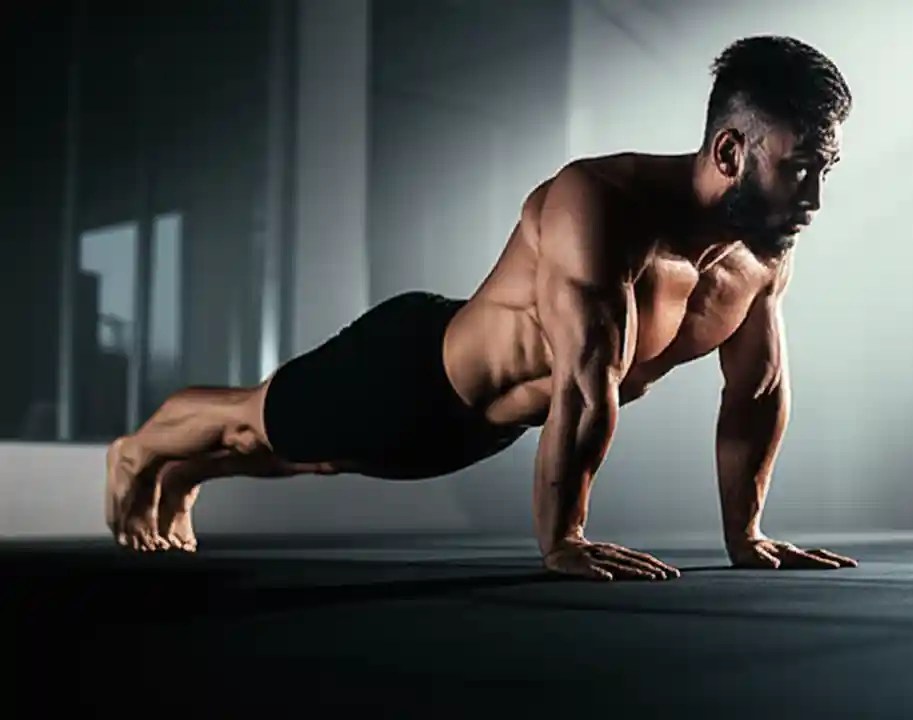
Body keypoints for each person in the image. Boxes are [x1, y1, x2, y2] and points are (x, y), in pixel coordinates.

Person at [105, 34, 860, 581]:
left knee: (312, 457)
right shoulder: (602, 204)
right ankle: (140, 453)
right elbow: (585, 383)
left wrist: (746, 535)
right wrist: (564, 541)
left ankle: (184, 474)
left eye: (823, 171)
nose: (814, 198)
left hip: (483, 429)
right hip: (412, 368)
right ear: (730, 152)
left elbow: (757, 393)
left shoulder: (761, 253)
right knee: (255, 422)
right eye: (798, 170)